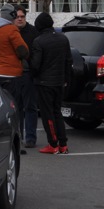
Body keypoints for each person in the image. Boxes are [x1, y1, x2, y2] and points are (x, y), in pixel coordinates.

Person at [0, 3, 29, 148]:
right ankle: (17, 140)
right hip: (11, 75)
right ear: (12, 16)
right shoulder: (11, 30)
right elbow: (23, 51)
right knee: (15, 108)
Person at [29, 12, 72, 154]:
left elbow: (35, 65)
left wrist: (32, 75)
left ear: (39, 26)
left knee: (48, 114)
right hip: (60, 81)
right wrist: (66, 79)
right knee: (57, 112)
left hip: (44, 82)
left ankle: (53, 144)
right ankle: (63, 144)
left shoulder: (39, 41)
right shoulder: (63, 39)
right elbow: (68, 61)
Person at [13, 6, 40, 148]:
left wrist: (33, 68)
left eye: (22, 16)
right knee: (17, 107)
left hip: (29, 73)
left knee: (30, 106)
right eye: (17, 16)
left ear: (25, 17)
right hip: (14, 74)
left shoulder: (33, 32)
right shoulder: (10, 32)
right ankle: (18, 136)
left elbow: (37, 54)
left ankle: (30, 137)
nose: (19, 18)